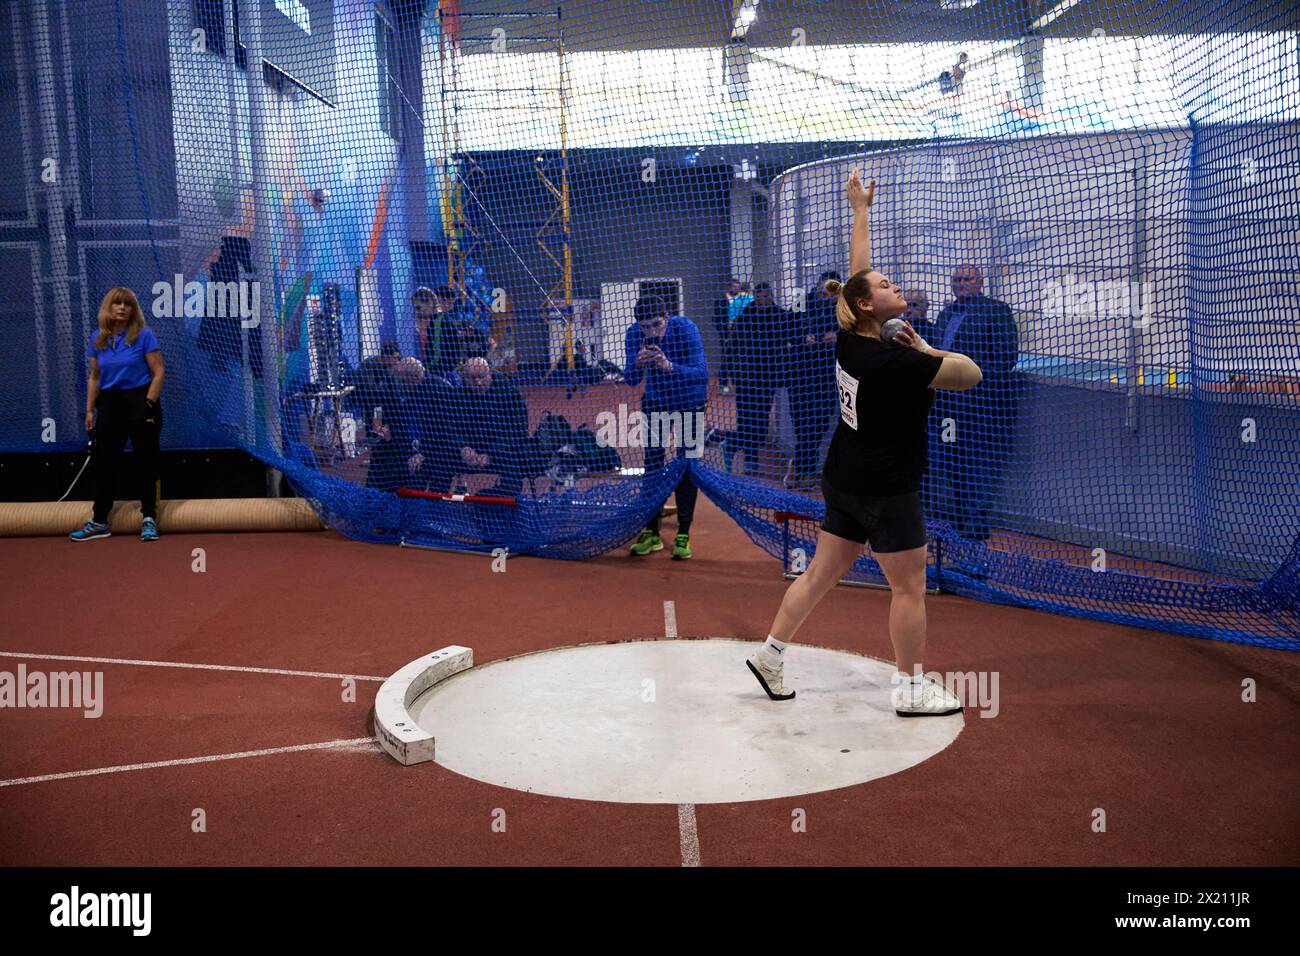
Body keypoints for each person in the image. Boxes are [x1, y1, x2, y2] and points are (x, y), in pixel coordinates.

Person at [746, 172, 984, 717]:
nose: (895, 286)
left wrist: (859, 211)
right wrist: (925, 348)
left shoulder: (855, 339)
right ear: (869, 307)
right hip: (885, 488)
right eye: (886, 286)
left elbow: (856, 275)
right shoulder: (894, 360)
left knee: (822, 572)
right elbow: (969, 374)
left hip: (846, 478)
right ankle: (911, 688)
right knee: (910, 587)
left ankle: (771, 654)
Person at [929, 265, 1019, 541]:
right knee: (952, 459)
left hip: (979, 405)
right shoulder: (946, 314)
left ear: (979, 282)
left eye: (967, 279)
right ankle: (960, 517)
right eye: (956, 280)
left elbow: (1006, 359)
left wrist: (968, 375)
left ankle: (976, 522)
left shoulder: (996, 311)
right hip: (946, 405)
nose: (961, 284)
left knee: (977, 461)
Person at [70, 288, 166, 542]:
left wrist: (148, 403)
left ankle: (149, 519)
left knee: (146, 461)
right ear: (108, 308)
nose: (122, 308)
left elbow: (158, 372)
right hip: (110, 404)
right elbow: (95, 377)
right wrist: (90, 409)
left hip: (140, 400)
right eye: (117, 304)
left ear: (133, 310)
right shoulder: (97, 339)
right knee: (104, 463)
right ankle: (100, 521)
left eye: (127, 305)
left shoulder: (144, 336)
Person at [624, 294, 709, 559]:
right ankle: (651, 531)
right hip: (656, 403)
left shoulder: (687, 328)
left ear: (667, 318)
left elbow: (702, 373)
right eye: (645, 326)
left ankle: (684, 531)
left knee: (687, 465)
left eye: (656, 324)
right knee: (653, 465)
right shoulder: (632, 334)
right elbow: (629, 379)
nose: (651, 331)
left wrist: (669, 366)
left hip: (689, 403)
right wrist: (637, 364)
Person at [726, 282, 795, 477]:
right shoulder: (745, 318)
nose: (762, 301)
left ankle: (740, 444)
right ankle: (750, 457)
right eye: (759, 297)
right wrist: (730, 373)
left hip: (768, 376)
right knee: (745, 415)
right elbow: (732, 346)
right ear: (755, 297)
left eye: (766, 297)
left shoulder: (781, 317)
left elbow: (791, 338)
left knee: (761, 416)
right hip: (746, 376)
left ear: (771, 296)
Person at [445, 356, 539, 498]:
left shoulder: (507, 391)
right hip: (469, 451)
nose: (478, 383)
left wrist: (492, 454)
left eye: (482, 377)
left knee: (518, 461)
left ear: (490, 374)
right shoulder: (458, 394)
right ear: (465, 379)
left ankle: (504, 502)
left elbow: (518, 429)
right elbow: (451, 425)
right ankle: (432, 506)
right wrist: (463, 448)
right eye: (472, 379)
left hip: (501, 450)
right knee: (436, 459)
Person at [787, 271, 842, 489]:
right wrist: (802, 338)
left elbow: (856, 333)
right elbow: (788, 328)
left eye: (832, 292)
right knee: (801, 423)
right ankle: (804, 468)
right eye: (824, 290)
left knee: (819, 424)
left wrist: (838, 337)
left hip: (827, 377)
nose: (827, 296)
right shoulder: (803, 303)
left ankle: (803, 468)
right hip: (801, 374)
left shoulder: (843, 309)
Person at [712, 278, 741, 392]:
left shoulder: (742, 301)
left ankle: (736, 384)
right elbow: (717, 319)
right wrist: (724, 334)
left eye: (738, 287)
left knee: (739, 360)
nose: (736, 289)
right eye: (734, 287)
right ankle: (724, 385)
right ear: (728, 287)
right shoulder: (720, 302)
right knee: (727, 360)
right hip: (726, 336)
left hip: (740, 336)